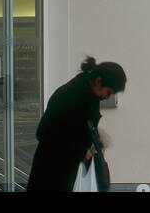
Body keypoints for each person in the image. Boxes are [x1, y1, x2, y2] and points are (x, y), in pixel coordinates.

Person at [26, 56, 126, 192]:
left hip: (63, 170)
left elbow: (79, 127)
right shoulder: (71, 95)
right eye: (108, 92)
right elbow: (45, 132)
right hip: (51, 172)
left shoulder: (88, 94)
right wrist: (79, 151)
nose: (106, 97)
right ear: (98, 81)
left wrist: (95, 140)